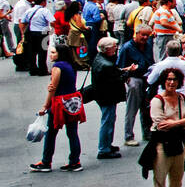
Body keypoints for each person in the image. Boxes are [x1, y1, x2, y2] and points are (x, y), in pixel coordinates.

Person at [146, 69, 185, 187]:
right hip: (163, 141)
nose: (172, 82)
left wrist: (174, 123)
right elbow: (161, 124)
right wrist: (182, 122)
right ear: (163, 81)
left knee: (177, 172)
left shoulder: (183, 98)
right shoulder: (157, 100)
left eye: (174, 80)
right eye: (168, 79)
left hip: (180, 140)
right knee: (161, 172)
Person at [30, 43, 85, 173]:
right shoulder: (70, 65)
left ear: (60, 54)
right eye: (51, 52)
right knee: (72, 133)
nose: (51, 55)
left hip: (59, 103)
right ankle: (75, 161)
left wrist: (45, 106)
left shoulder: (57, 67)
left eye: (54, 52)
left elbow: (53, 89)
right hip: (73, 102)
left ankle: (46, 161)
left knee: (51, 134)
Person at [91, 37, 125, 159]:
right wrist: (127, 73)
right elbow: (116, 80)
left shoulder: (99, 59)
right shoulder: (107, 65)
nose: (116, 48)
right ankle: (104, 149)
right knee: (107, 120)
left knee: (109, 119)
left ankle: (106, 145)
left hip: (102, 94)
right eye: (114, 47)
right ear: (107, 49)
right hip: (107, 96)